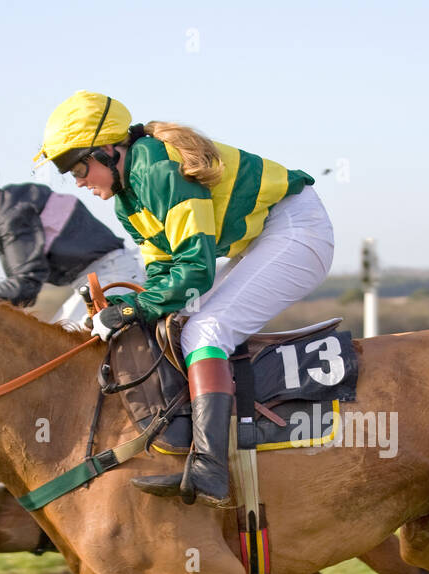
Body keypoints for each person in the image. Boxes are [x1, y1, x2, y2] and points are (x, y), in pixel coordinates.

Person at [33, 91, 334, 507]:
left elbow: (194, 273)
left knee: (207, 329)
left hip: (297, 230)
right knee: (170, 323)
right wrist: (135, 310)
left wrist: (133, 307)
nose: (78, 180)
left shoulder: (158, 170)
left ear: (106, 150)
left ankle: (211, 467)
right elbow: (163, 272)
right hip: (264, 237)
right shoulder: (128, 200)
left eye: (76, 166)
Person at [0, 141, 144, 331]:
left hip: (111, 278)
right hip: (94, 280)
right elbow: (23, 293)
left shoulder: (9, 212)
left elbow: (26, 284)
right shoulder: (3, 210)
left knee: (67, 353)